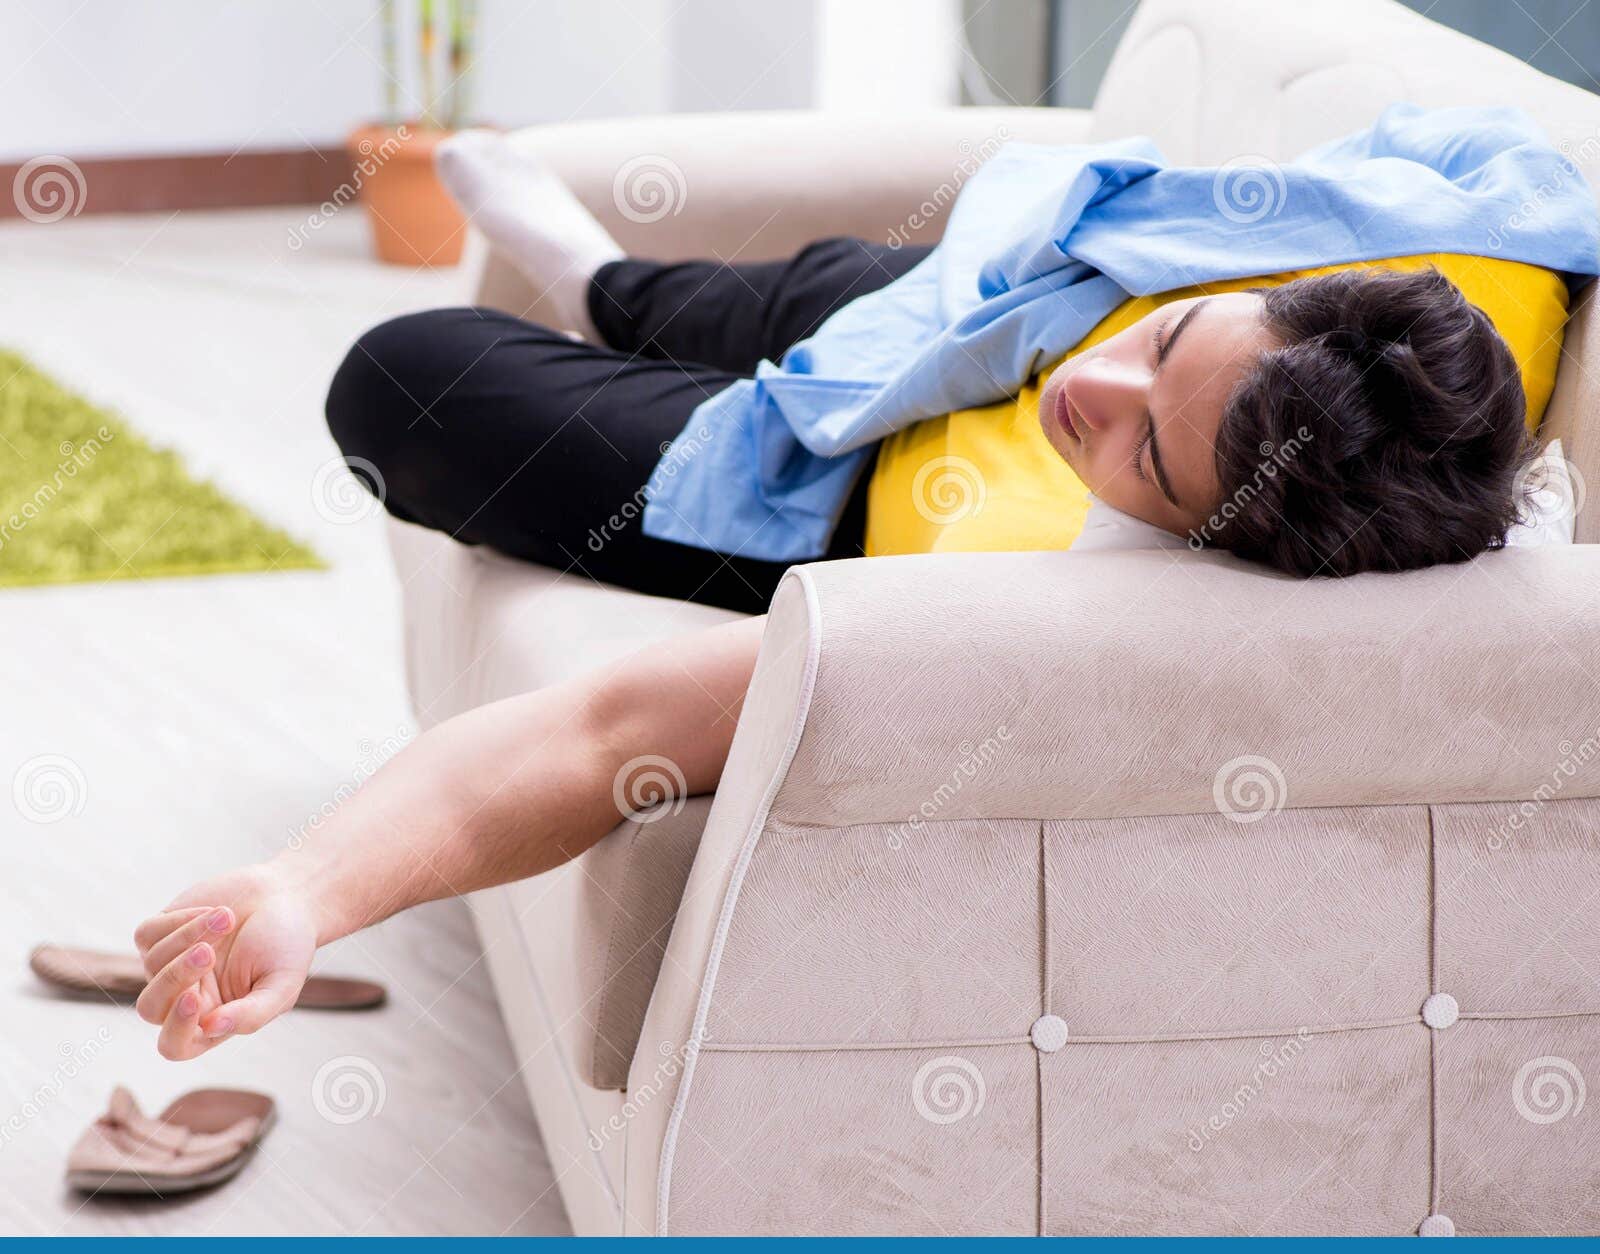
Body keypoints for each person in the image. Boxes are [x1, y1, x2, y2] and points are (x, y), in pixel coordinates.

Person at [132, 141, 1545, 1058]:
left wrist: (302, 887)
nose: (1094, 396)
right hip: (959, 323)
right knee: (783, 300)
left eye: (1147, 454)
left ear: (1212, 542)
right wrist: (1131, 313)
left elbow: (599, 728)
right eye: (1167, 337)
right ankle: (614, 285)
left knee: (405, 377)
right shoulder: (1456, 268)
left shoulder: (1029, 622)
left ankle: (635, 309)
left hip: (825, 497)